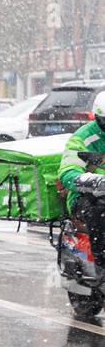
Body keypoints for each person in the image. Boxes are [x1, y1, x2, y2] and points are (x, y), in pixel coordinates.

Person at [59, 96, 105, 271]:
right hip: (86, 196)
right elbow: (67, 173)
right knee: (101, 209)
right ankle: (102, 264)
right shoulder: (82, 138)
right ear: (98, 118)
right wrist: (94, 181)